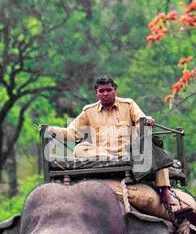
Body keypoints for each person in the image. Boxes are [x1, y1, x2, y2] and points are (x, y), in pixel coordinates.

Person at [46, 75, 177, 211]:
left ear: (115, 90)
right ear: (96, 94)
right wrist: (50, 130)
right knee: (79, 149)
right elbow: (72, 133)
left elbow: (140, 120)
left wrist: (147, 121)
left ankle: (165, 191)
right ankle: (110, 159)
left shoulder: (128, 105)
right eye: (101, 91)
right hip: (102, 154)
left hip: (128, 152)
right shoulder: (88, 111)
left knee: (154, 148)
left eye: (109, 90)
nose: (105, 94)